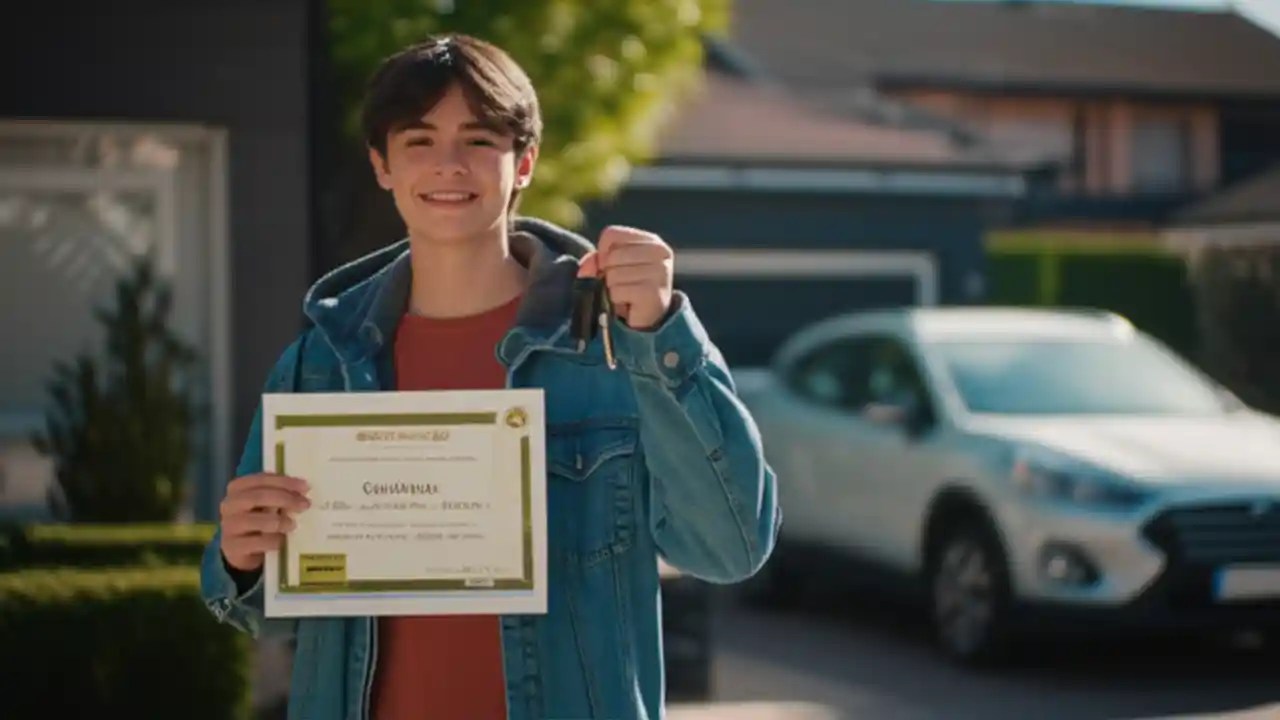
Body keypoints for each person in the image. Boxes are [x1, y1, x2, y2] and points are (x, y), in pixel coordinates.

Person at [200, 33, 780, 720]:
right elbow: (261, 611)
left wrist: (660, 332)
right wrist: (240, 557)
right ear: (382, 165)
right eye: (418, 140)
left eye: (478, 139)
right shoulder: (320, 362)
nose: (448, 164)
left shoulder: (619, 348)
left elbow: (730, 548)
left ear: (524, 162)